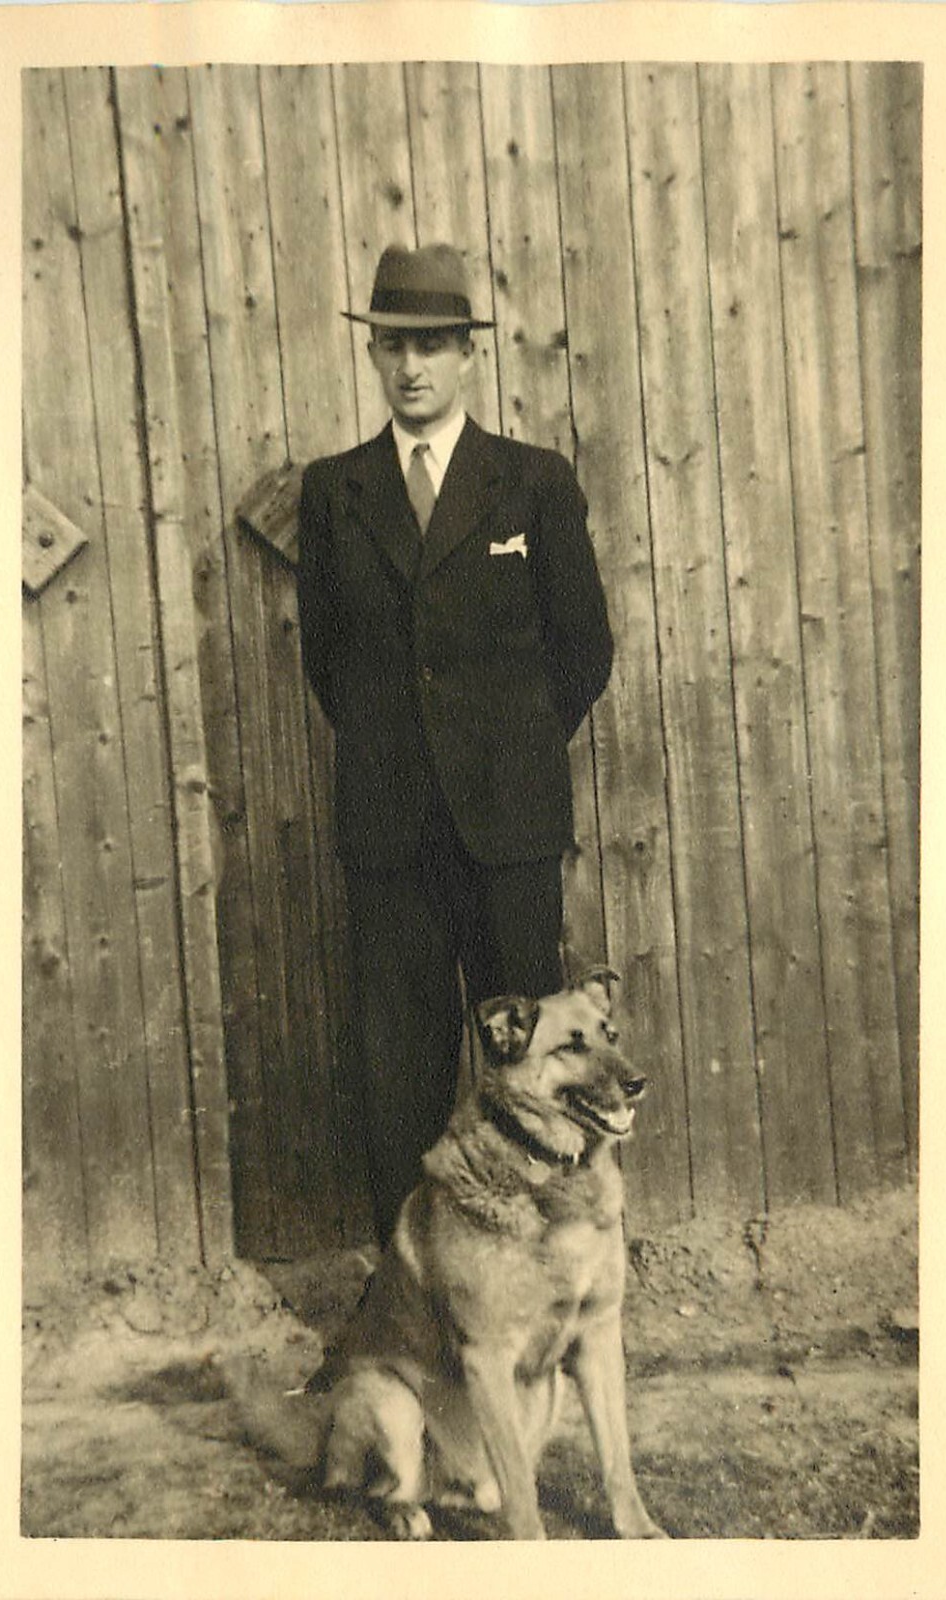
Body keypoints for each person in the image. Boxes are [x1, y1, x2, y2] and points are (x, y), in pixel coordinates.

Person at [297, 242, 614, 1243]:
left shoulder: (530, 481)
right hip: (391, 832)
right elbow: (328, 661)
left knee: (530, 1064)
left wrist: (509, 750)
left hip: (509, 828)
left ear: (468, 355)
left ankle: (545, 1266)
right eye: (394, 346)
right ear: (374, 357)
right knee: (398, 1068)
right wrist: (408, 759)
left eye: (432, 345)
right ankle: (411, 1293)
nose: (412, 368)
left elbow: (584, 649)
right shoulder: (335, 490)